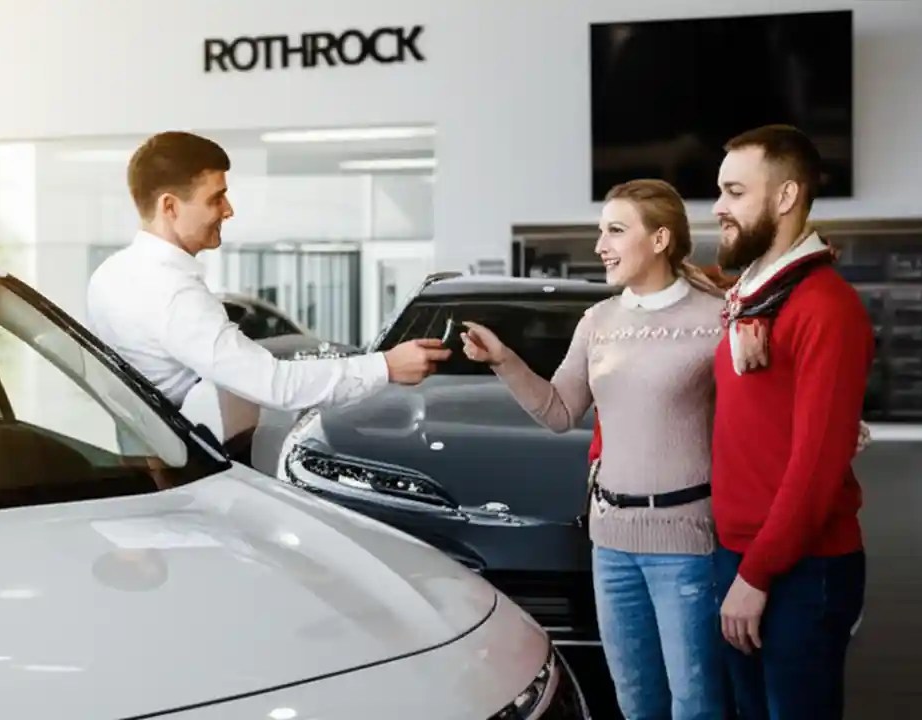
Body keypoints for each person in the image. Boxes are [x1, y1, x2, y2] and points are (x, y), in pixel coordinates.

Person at [462, 178, 729, 720]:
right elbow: (560, 412)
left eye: (615, 230)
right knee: (634, 701)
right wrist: (504, 361)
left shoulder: (716, 318)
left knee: (696, 704)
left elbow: (760, 413)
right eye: (600, 230)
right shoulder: (599, 320)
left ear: (659, 239)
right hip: (610, 543)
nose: (600, 245)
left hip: (688, 544)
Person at [86, 131, 450, 423]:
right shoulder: (173, 294)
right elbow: (276, 385)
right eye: (216, 198)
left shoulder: (110, 274)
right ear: (170, 206)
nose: (228, 210)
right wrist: (386, 366)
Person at [709, 124, 874, 719]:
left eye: (733, 191)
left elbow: (817, 468)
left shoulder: (826, 307)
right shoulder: (752, 296)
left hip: (798, 568)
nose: (718, 207)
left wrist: (756, 575)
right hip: (741, 553)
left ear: (784, 197)